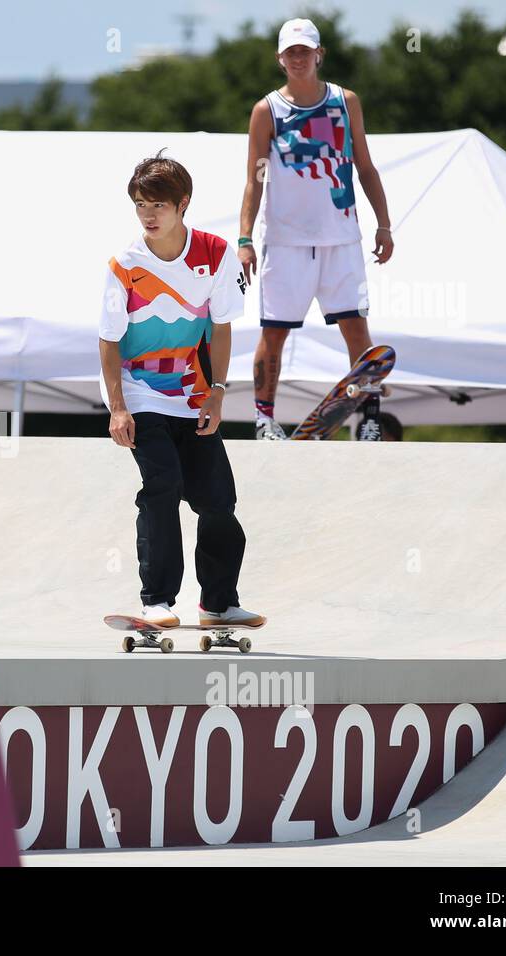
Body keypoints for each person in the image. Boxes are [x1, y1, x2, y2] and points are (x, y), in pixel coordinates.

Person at [99, 150, 265, 630]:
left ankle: (217, 602)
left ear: (182, 204)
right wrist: (118, 408)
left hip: (194, 394)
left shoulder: (214, 254)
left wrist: (217, 390)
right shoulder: (123, 266)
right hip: (141, 393)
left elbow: (222, 326)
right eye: (140, 205)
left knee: (217, 499)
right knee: (163, 486)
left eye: (158, 206)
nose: (148, 216)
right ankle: (157, 601)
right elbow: (109, 342)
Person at [238, 17, 394, 442]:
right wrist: (245, 238)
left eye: (305, 50)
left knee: (356, 329)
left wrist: (384, 224)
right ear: (280, 58)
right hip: (287, 241)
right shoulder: (267, 110)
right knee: (274, 332)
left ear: (319, 54)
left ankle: (369, 417)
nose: (298, 58)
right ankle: (264, 420)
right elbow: (255, 177)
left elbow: (365, 166)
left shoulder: (346, 101)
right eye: (291, 52)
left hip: (341, 237)